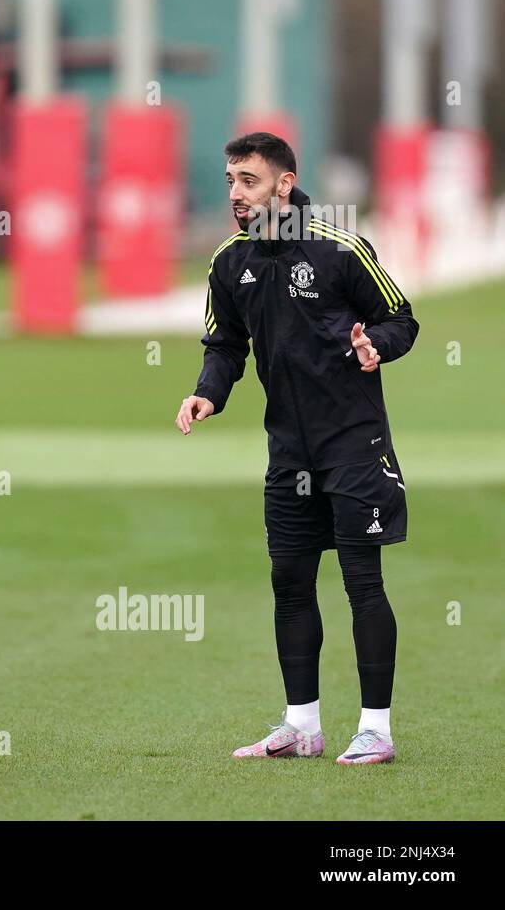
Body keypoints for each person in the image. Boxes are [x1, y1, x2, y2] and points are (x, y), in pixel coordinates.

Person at [176, 132, 418, 766]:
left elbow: (401, 318)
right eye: (230, 180)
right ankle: (302, 724)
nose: (235, 193)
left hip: (354, 443)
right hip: (289, 449)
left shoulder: (340, 249)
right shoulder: (229, 263)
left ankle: (376, 730)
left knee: (363, 583)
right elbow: (225, 345)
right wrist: (207, 393)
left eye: (249, 180)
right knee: (289, 581)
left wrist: (377, 347)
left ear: (284, 184)